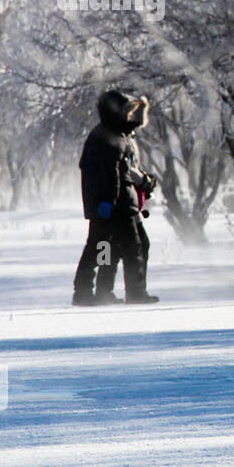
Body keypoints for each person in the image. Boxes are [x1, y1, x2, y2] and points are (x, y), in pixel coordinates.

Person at [72, 89, 159, 306]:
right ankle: (130, 292)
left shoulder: (113, 134)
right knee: (128, 247)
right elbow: (109, 174)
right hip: (117, 205)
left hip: (113, 204)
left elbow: (120, 169)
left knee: (104, 247)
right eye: (127, 111)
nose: (130, 115)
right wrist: (107, 202)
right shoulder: (110, 137)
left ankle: (98, 291)